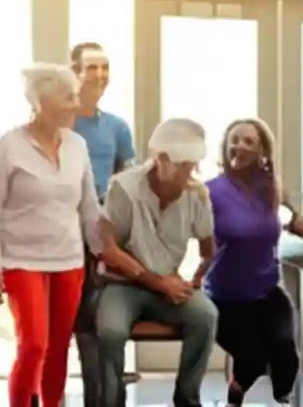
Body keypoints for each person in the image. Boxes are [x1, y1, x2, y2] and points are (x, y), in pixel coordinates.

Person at [205, 117, 303, 406]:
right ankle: (237, 388)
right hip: (225, 297)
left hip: (268, 292)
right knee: (253, 358)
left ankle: (283, 398)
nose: (239, 146)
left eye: (248, 141)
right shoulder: (210, 192)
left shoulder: (270, 190)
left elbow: (298, 223)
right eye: (234, 139)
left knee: (285, 353)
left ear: (262, 152)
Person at [0, 63, 104, 407]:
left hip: (69, 259)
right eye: (68, 97)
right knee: (33, 344)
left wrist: (105, 252)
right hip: (20, 259)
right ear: (42, 103)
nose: (76, 104)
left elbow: (89, 207)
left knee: (59, 346)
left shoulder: (77, 145)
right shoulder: (9, 145)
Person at [94, 118, 218, 407]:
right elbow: (108, 250)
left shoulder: (196, 195)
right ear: (160, 160)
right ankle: (112, 402)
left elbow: (209, 250)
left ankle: (187, 399)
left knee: (206, 316)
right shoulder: (124, 188)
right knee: (111, 331)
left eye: (191, 166)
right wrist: (158, 282)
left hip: (168, 285)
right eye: (181, 166)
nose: (187, 174)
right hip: (121, 283)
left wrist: (195, 281)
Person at [67, 42, 137, 407]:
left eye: (105, 67)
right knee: (73, 324)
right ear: (74, 71)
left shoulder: (117, 127)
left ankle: (107, 398)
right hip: (62, 234)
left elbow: (129, 179)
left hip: (104, 232)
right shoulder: (59, 122)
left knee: (101, 322)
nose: (99, 75)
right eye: (91, 67)